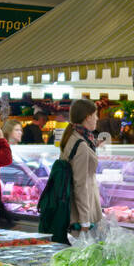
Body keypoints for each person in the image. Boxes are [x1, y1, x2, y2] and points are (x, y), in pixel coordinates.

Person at [38, 99, 100, 244]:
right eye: (95, 115)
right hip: (80, 216)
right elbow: (80, 184)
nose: (97, 118)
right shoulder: (82, 145)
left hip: (73, 208)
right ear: (88, 117)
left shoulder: (73, 137)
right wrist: (85, 221)